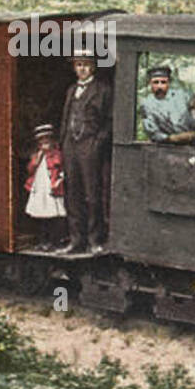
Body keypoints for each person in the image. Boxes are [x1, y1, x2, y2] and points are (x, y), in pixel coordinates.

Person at [58, 48, 112, 255]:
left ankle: (94, 239)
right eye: (79, 65)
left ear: (93, 67)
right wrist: (63, 143)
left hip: (89, 146)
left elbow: (109, 121)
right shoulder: (71, 90)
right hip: (71, 146)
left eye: (86, 65)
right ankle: (75, 239)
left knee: (92, 194)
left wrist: (97, 143)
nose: (82, 69)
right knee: (73, 194)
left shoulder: (103, 90)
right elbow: (65, 118)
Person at [24, 123, 67, 251]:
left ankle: (54, 241)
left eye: (47, 141)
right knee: (40, 214)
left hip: (51, 187)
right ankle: (43, 240)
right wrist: (36, 160)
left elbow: (59, 167)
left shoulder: (56, 154)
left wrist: (58, 180)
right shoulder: (37, 156)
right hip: (40, 187)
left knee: (53, 214)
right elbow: (30, 169)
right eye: (42, 142)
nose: (44, 145)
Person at [140, 65, 195, 144]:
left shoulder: (182, 95)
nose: (159, 86)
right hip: (168, 146)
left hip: (193, 143)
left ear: (168, 83)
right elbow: (153, 132)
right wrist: (173, 138)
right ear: (150, 83)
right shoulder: (147, 104)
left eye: (163, 82)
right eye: (156, 82)